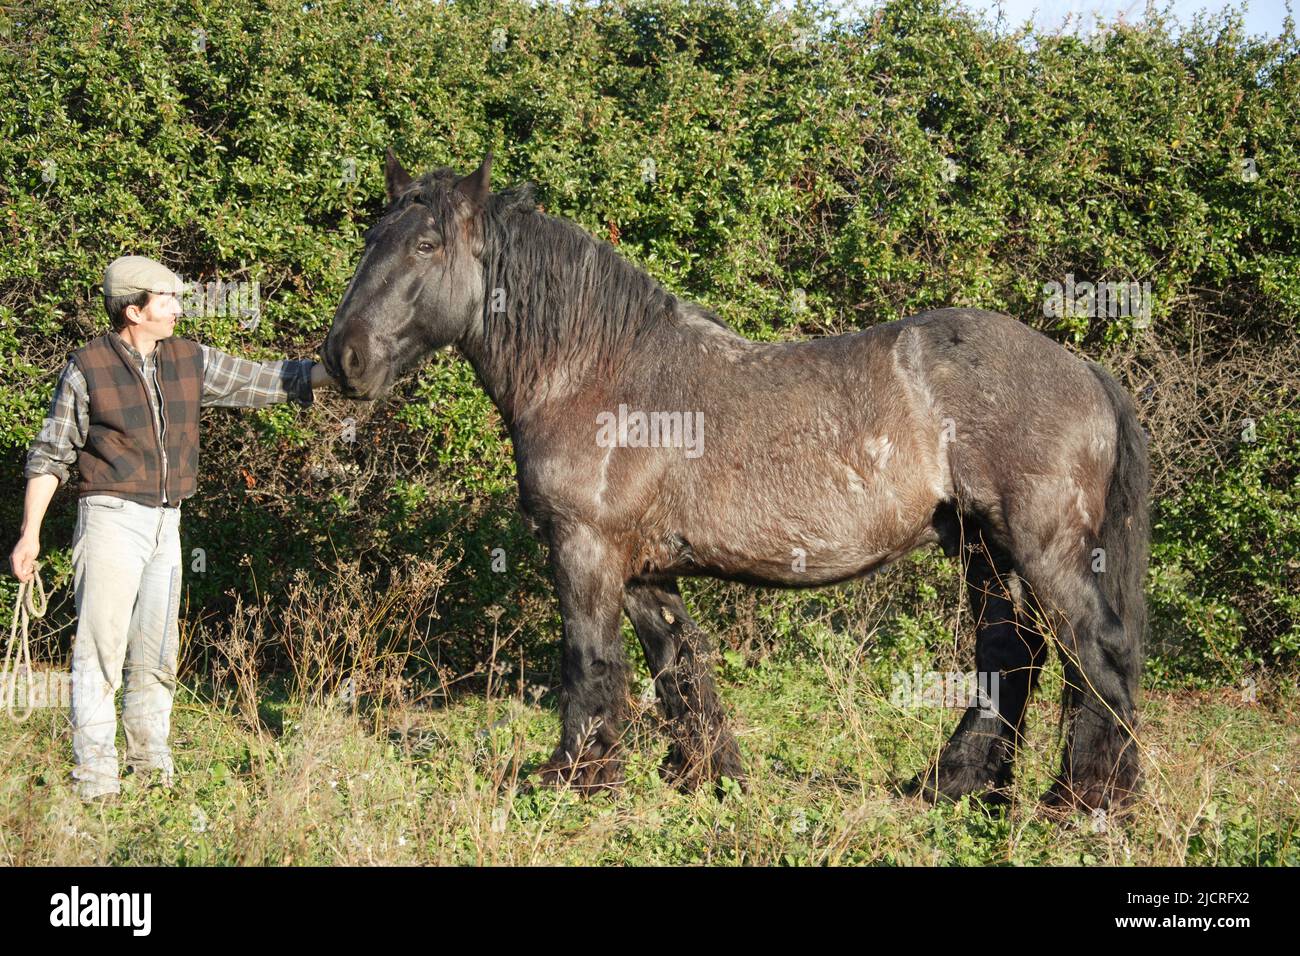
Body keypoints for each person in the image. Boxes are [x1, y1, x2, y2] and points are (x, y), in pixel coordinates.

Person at [8, 255, 336, 801]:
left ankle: (151, 771)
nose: (180, 311)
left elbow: (259, 380)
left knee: (157, 654)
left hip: (168, 523)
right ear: (134, 310)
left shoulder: (188, 359)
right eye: (168, 302)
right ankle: (95, 781)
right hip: (110, 520)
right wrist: (30, 534)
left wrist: (336, 372)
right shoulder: (86, 366)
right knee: (99, 652)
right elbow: (50, 457)